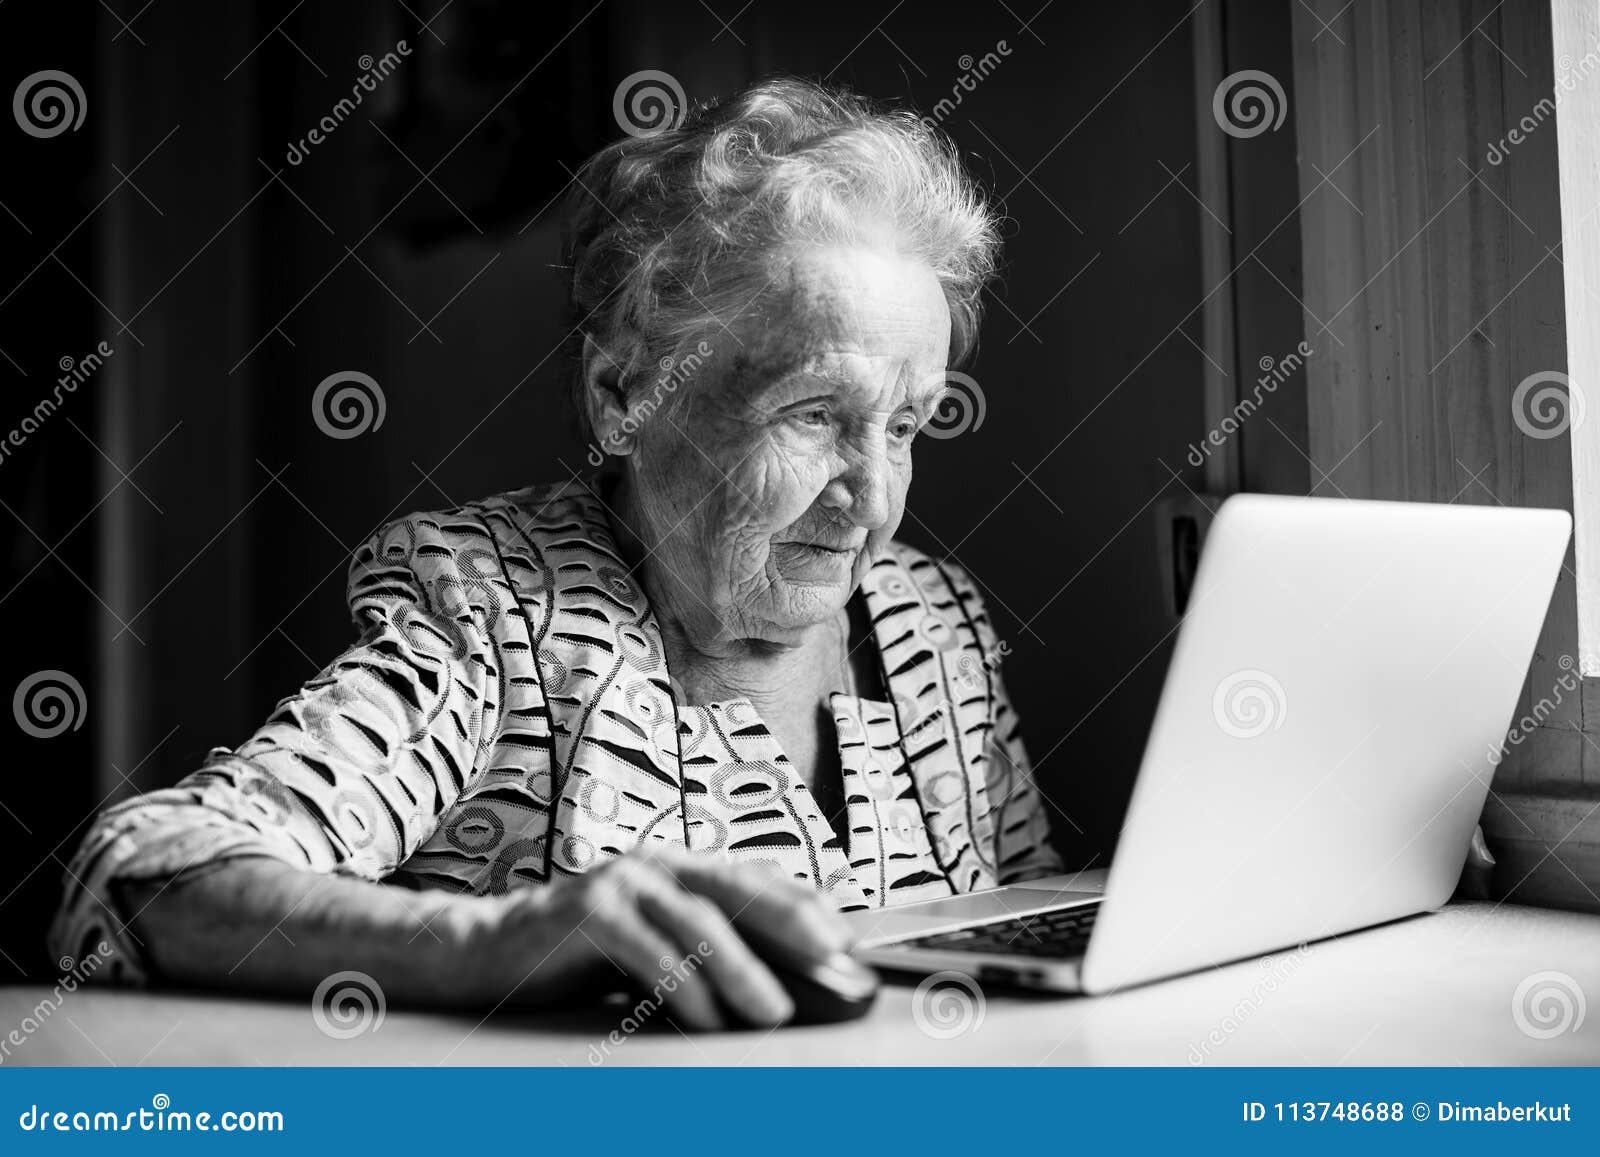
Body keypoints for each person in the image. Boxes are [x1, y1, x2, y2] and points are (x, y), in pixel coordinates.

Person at [49, 76, 1062, 1031]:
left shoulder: (936, 623)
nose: (872, 500)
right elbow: (146, 878)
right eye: (812, 413)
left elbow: (1037, 939)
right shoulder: (491, 612)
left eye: (903, 425)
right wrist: (491, 941)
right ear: (623, 394)